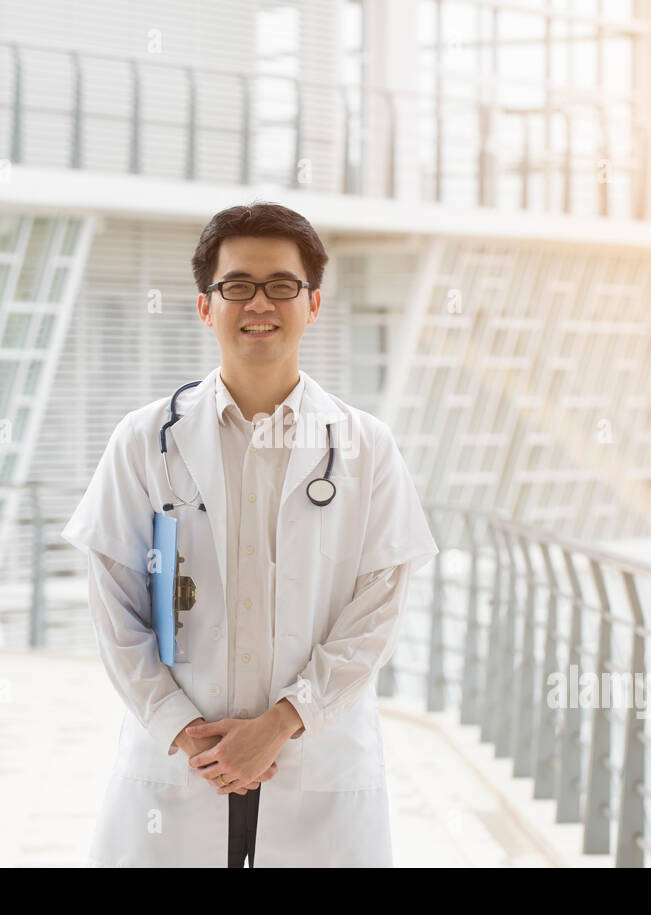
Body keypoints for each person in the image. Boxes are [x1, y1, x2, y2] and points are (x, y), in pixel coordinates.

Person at [61, 200, 437, 866]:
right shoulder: (145, 441)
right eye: (237, 285)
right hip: (179, 764)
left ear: (313, 303)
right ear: (206, 306)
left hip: (316, 761)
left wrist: (282, 723)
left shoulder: (365, 447)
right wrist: (181, 730)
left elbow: (379, 609)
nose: (259, 302)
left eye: (282, 285)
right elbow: (112, 606)